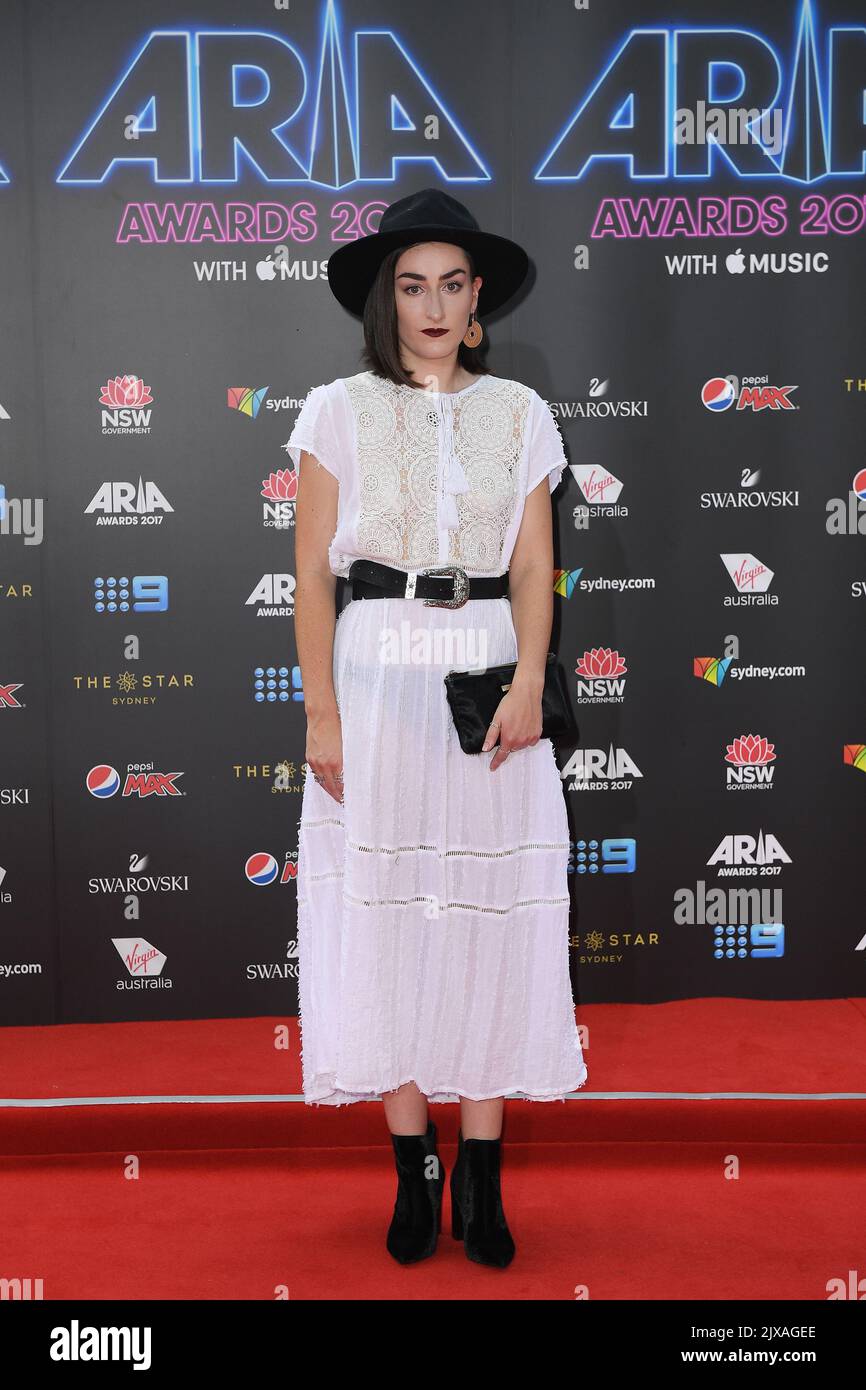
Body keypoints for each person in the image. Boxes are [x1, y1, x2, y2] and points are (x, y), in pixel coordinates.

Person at [288, 188, 587, 1269]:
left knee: (490, 913)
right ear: (385, 298)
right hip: (375, 677)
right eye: (410, 284)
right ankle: (415, 1172)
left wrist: (525, 681)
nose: (430, 303)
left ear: (475, 300)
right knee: (390, 918)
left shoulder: (519, 413)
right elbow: (310, 580)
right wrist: (321, 710)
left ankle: (484, 1179)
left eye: (450, 284)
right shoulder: (335, 409)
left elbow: (531, 567)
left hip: (486, 680)